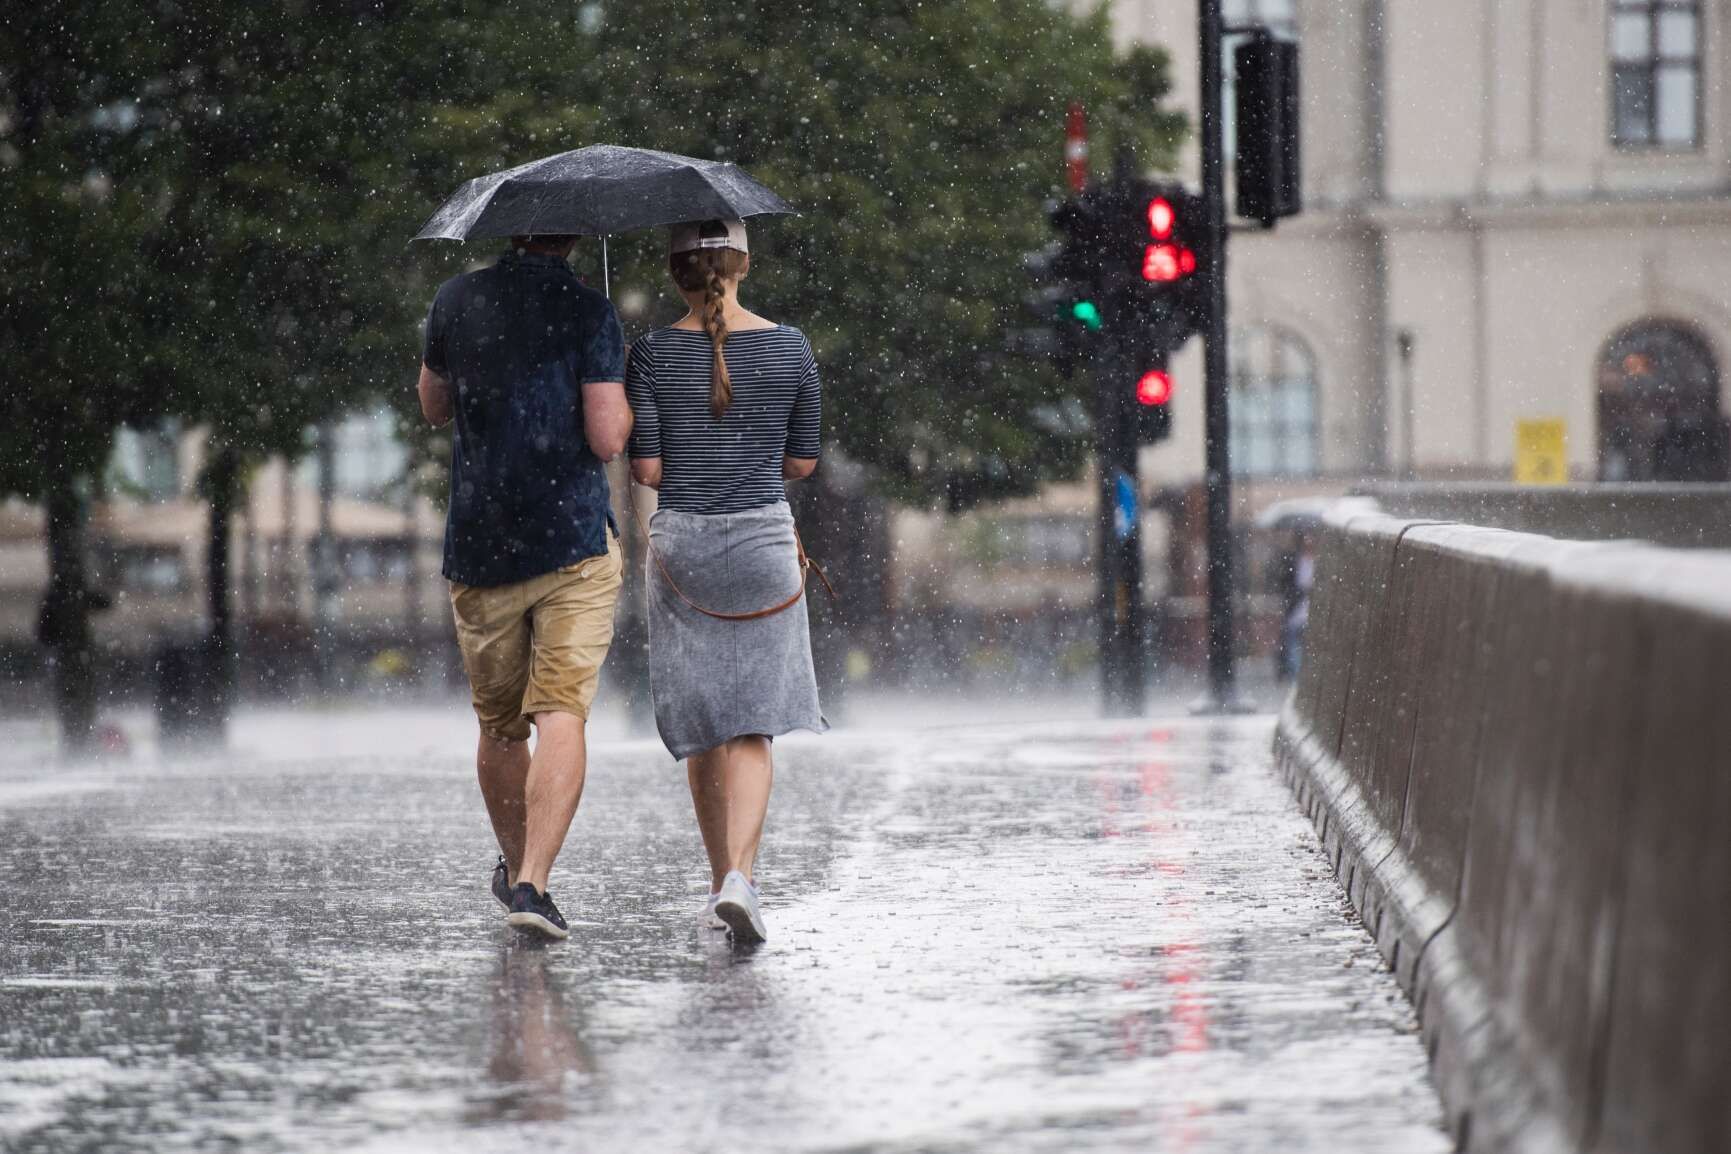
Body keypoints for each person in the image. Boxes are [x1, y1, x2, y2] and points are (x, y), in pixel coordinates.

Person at [417, 233, 632, 941]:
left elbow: (432, 405)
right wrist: (620, 393)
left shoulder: (455, 299)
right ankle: (534, 883)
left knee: (500, 726)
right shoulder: (589, 310)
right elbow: (606, 439)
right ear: (572, 238)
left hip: (482, 546)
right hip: (571, 543)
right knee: (561, 712)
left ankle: (518, 876)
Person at [624, 218, 827, 944]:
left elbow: (646, 470)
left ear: (674, 272)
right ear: (742, 264)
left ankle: (720, 882)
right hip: (764, 547)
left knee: (706, 723)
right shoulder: (791, 346)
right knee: (752, 722)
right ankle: (740, 878)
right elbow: (802, 463)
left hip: (686, 552)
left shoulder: (648, 352)